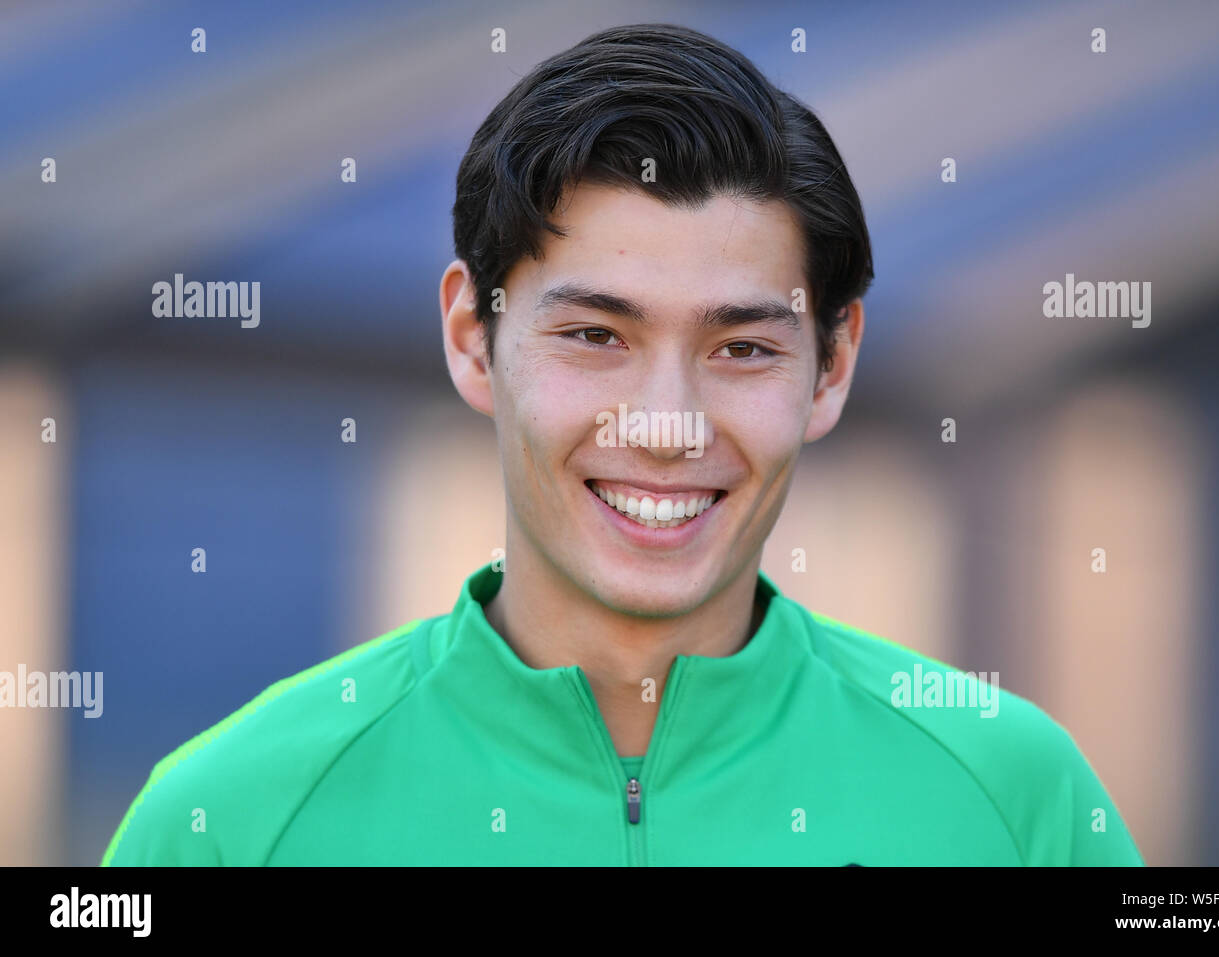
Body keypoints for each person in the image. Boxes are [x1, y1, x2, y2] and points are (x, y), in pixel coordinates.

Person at [103, 22, 1143, 866]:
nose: (665, 423)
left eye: (740, 347)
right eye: (596, 336)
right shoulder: (230, 821)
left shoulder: (1013, 801)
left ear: (830, 367)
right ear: (474, 337)